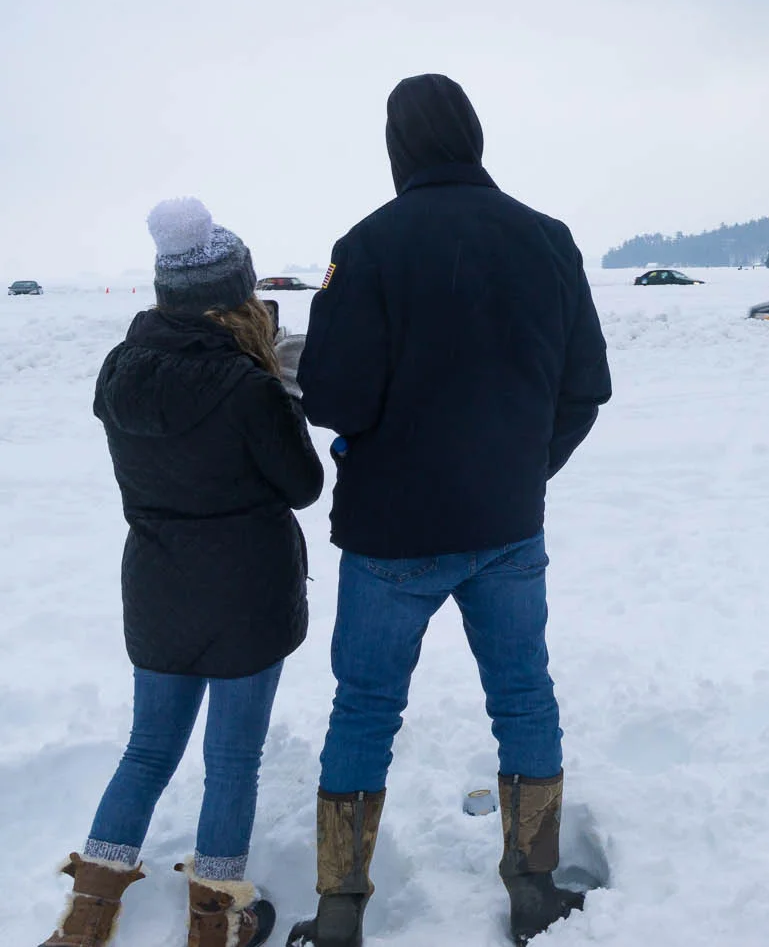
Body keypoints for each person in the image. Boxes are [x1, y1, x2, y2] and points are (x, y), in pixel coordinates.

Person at [287, 75, 612, 947]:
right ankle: (534, 888)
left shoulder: (369, 246)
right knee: (523, 697)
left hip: (392, 536)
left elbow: (330, 396)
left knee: (362, 708)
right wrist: (523, 470)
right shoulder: (548, 240)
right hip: (506, 527)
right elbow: (587, 387)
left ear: (397, 146)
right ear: (473, 135)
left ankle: (340, 909)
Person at [42, 199, 323, 947]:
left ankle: (85, 920)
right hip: (247, 599)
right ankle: (217, 919)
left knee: (146, 752)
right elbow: (302, 484)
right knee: (231, 760)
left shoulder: (119, 371)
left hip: (159, 590)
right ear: (235, 294)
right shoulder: (249, 386)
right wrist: (280, 388)